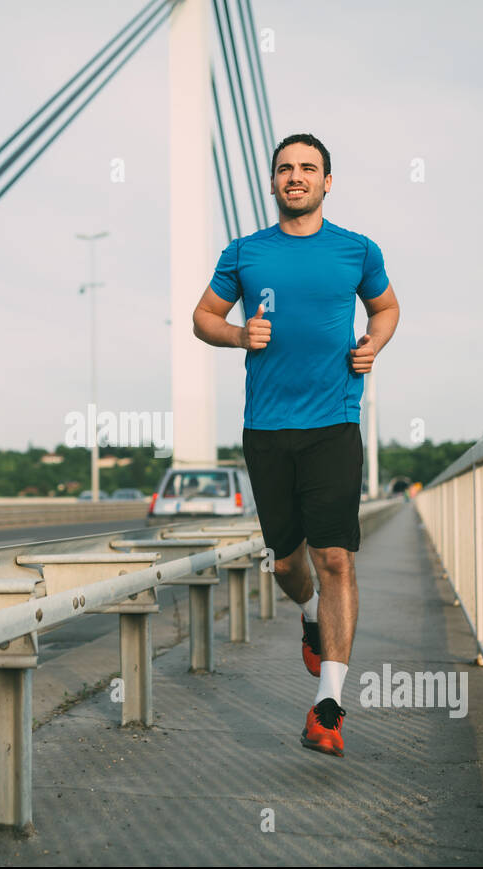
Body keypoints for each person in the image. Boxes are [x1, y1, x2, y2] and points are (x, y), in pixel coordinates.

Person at [190, 132, 401, 757]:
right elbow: (203, 316)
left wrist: (373, 343)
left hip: (334, 424)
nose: (297, 176)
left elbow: (386, 309)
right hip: (267, 428)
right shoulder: (245, 253)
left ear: (327, 182)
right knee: (286, 563)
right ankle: (309, 615)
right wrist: (238, 335)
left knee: (337, 558)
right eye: (286, 168)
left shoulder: (356, 250)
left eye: (309, 168)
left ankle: (328, 710)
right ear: (274, 182)